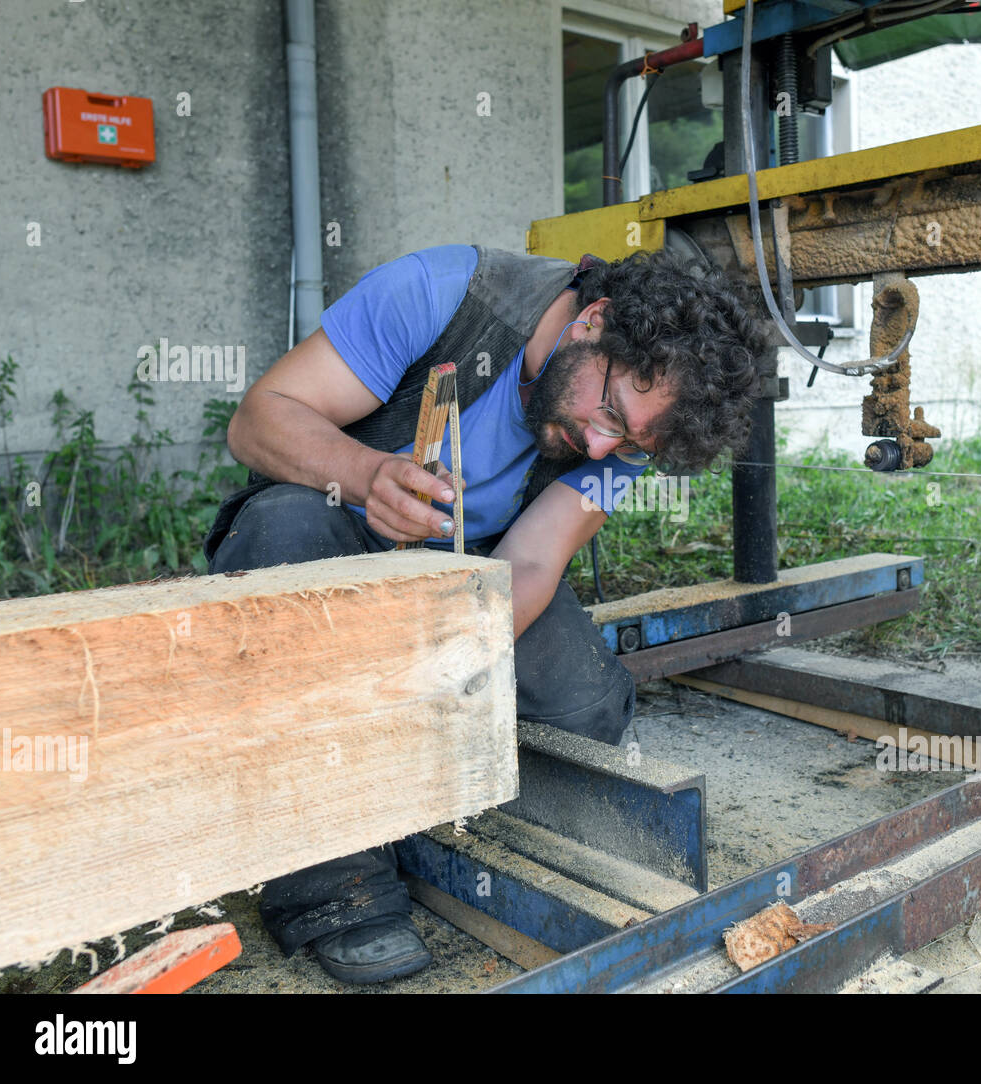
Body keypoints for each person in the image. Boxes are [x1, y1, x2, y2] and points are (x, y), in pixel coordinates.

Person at [203, 243, 771, 983]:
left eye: (627, 442)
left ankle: (414, 801)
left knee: (585, 703)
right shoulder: (442, 294)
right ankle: (334, 885)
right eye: (607, 414)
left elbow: (533, 560)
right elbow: (256, 421)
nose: (601, 445)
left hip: (464, 569)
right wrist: (367, 474)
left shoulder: (640, 422)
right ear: (592, 321)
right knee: (284, 531)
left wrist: (444, 669)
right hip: (328, 535)